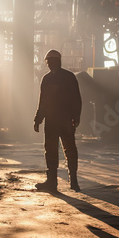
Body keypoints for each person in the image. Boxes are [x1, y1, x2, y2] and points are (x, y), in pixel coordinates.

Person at [33, 49, 82, 191]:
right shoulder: (69, 77)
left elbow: (43, 103)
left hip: (52, 121)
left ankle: (52, 182)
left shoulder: (47, 79)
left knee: (51, 151)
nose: (48, 65)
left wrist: (38, 119)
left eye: (48, 62)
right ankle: (73, 182)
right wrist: (76, 116)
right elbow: (77, 99)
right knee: (70, 150)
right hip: (66, 121)